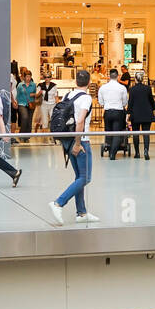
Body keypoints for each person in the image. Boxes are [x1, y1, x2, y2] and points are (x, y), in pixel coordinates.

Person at [49, 69, 100, 224]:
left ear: (75, 81)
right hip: (80, 140)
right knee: (85, 178)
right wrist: (78, 143)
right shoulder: (86, 99)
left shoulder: (68, 95)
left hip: (68, 140)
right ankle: (58, 202)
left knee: (79, 177)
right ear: (89, 83)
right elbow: (80, 121)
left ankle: (82, 213)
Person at [97, 68, 129, 159]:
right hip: (118, 112)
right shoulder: (122, 88)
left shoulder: (103, 88)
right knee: (117, 132)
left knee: (109, 131)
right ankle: (112, 153)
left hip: (107, 112)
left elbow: (101, 102)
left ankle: (109, 147)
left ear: (109, 76)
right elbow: (125, 102)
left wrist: (106, 104)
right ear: (118, 76)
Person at [126, 70, 155, 160]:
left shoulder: (132, 89)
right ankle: (146, 151)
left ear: (135, 79)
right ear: (142, 79)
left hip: (136, 114)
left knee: (136, 133)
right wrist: (154, 109)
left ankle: (137, 153)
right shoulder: (148, 88)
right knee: (146, 133)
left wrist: (128, 114)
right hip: (147, 113)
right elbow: (151, 100)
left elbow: (130, 103)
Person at [15, 68, 36, 135]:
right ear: (24, 77)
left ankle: (27, 136)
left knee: (29, 121)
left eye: (29, 76)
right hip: (22, 104)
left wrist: (35, 95)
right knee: (25, 117)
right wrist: (16, 103)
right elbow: (17, 95)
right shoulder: (20, 85)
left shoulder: (33, 85)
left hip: (31, 104)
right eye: (27, 76)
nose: (28, 78)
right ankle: (21, 134)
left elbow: (35, 94)